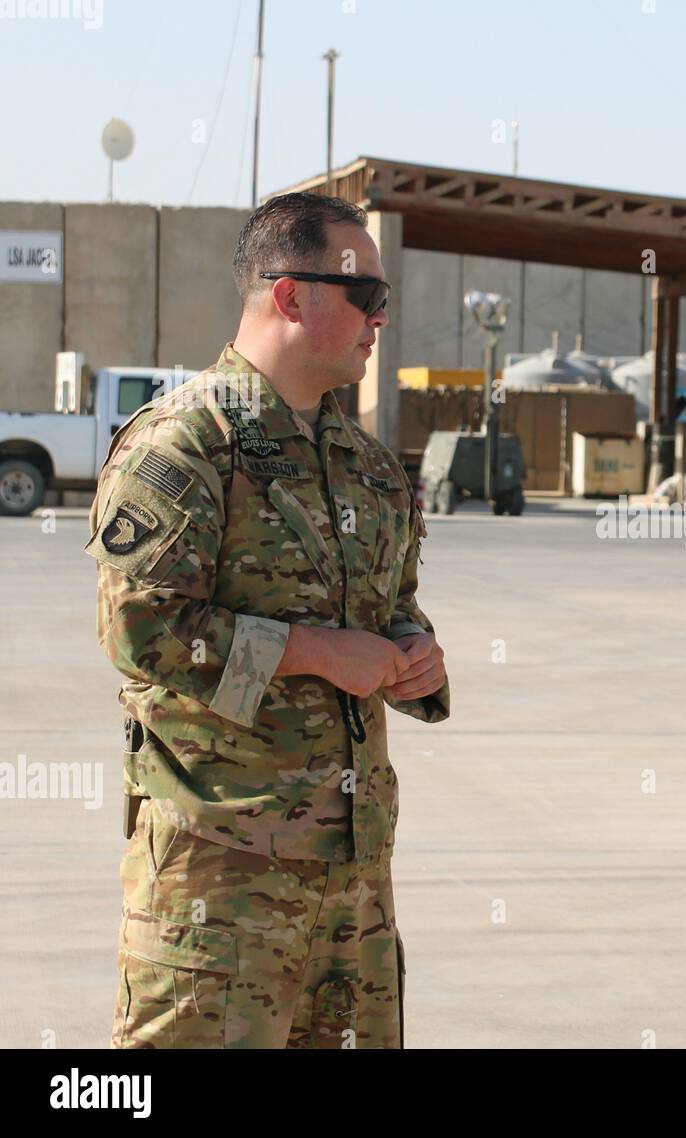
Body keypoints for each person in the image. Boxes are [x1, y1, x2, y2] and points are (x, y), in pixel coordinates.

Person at [90, 192, 449, 1048]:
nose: (380, 318)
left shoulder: (364, 463)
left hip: (353, 882)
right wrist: (316, 653)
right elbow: (142, 633)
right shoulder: (182, 446)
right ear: (292, 296)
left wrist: (415, 653)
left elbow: (391, 606)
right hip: (221, 880)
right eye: (365, 294)